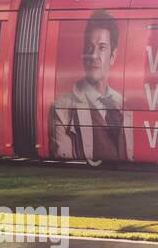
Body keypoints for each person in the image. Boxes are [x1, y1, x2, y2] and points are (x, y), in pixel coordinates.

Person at [48, 10, 132, 162]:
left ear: (112, 56)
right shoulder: (62, 108)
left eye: (102, 47)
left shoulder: (123, 104)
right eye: (89, 47)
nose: (93, 56)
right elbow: (64, 156)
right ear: (82, 55)